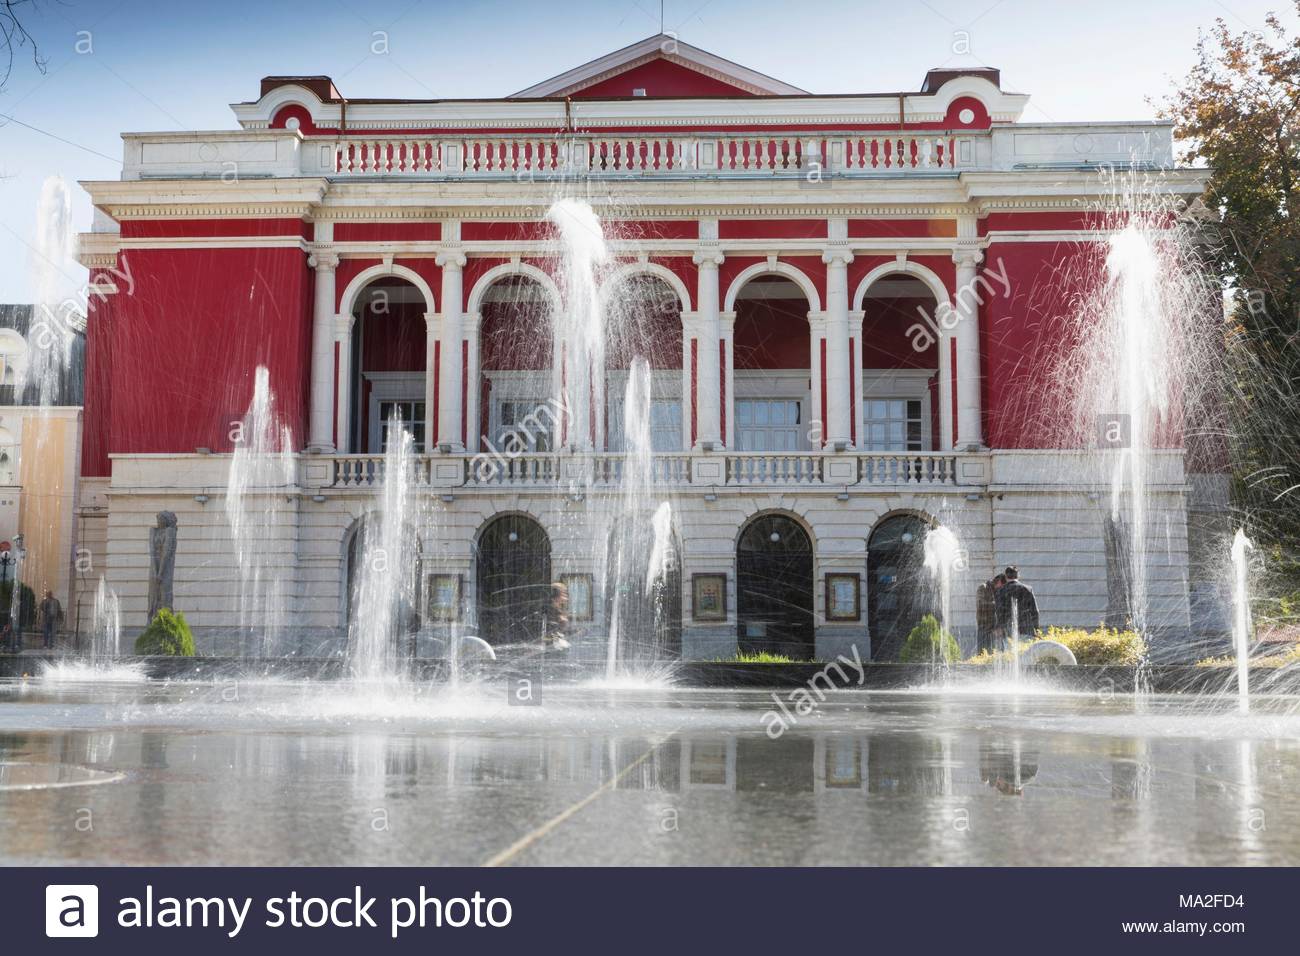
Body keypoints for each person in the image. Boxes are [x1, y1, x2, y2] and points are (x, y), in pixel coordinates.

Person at [995, 566, 1039, 643]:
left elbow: (999, 611)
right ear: (1018, 575)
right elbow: (1035, 611)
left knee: (1010, 653)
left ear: (1006, 576)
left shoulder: (1000, 591)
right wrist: (1036, 629)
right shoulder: (1027, 589)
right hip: (1026, 628)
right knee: (1026, 652)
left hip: (1008, 629)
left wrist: (999, 627)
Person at [975, 574, 1007, 653]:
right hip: (985, 628)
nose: (1003, 588)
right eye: (1003, 585)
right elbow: (982, 605)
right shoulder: (983, 587)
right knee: (983, 653)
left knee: (999, 654)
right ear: (999, 582)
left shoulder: (997, 591)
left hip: (995, 628)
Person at [543, 582, 571, 652]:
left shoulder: (558, 610)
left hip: (557, 645)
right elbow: (550, 633)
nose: (566, 597)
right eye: (564, 593)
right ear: (556, 596)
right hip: (553, 649)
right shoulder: (551, 611)